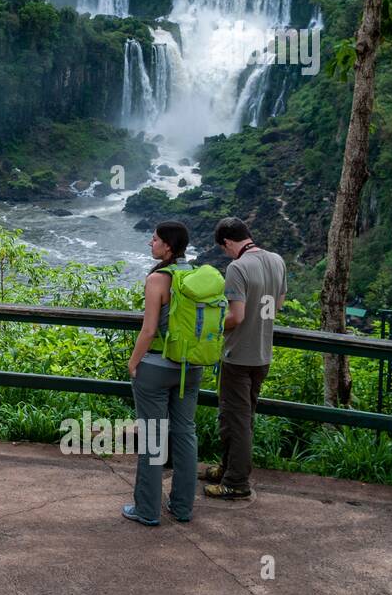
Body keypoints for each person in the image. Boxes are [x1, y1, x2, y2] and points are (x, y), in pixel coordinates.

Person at [122, 221, 203, 526]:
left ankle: (146, 510)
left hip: (156, 367)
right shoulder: (197, 275)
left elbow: (149, 329)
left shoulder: (158, 278)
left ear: (168, 246)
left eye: (154, 239)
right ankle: (182, 508)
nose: (150, 243)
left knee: (153, 439)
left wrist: (133, 362)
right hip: (191, 367)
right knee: (185, 434)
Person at [204, 217, 287, 501]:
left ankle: (236, 483)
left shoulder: (237, 267)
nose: (226, 254)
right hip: (263, 353)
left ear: (228, 242)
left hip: (238, 356)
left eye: (224, 249)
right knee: (242, 418)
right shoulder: (277, 260)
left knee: (235, 420)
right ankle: (228, 469)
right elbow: (278, 304)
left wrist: (210, 324)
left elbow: (235, 317)